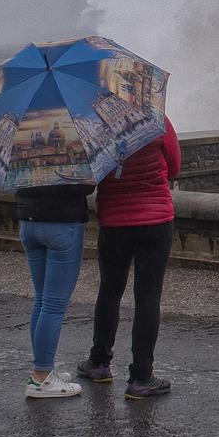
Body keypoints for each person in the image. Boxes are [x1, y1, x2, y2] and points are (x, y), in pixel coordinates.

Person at [76, 115, 180, 400]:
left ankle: (99, 363)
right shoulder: (157, 119)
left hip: (115, 221)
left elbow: (91, 176)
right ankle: (141, 377)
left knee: (110, 291)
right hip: (156, 220)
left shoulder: (97, 124)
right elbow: (174, 165)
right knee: (148, 297)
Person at [17, 182, 94, 399]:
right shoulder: (69, 148)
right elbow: (86, 186)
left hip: (28, 222)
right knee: (53, 305)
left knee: (41, 300)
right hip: (62, 223)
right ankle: (41, 377)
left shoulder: (24, 146)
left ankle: (43, 370)